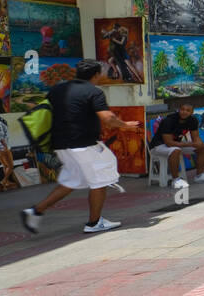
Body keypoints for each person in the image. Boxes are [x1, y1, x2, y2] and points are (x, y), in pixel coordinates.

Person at [20, 59, 140, 234]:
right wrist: (126, 125)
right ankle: (94, 223)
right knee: (100, 179)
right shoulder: (93, 92)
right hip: (84, 145)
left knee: (71, 181)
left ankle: (35, 211)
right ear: (96, 74)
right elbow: (108, 118)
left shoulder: (57, 90)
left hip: (61, 145)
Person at [149, 103, 204, 189]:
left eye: (187, 110)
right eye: (182, 109)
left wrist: (200, 144)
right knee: (175, 150)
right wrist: (191, 144)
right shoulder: (169, 120)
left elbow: (196, 138)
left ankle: (199, 176)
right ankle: (176, 180)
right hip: (158, 146)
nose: (184, 112)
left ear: (192, 112)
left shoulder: (193, 120)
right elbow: (169, 143)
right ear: (179, 110)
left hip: (176, 145)